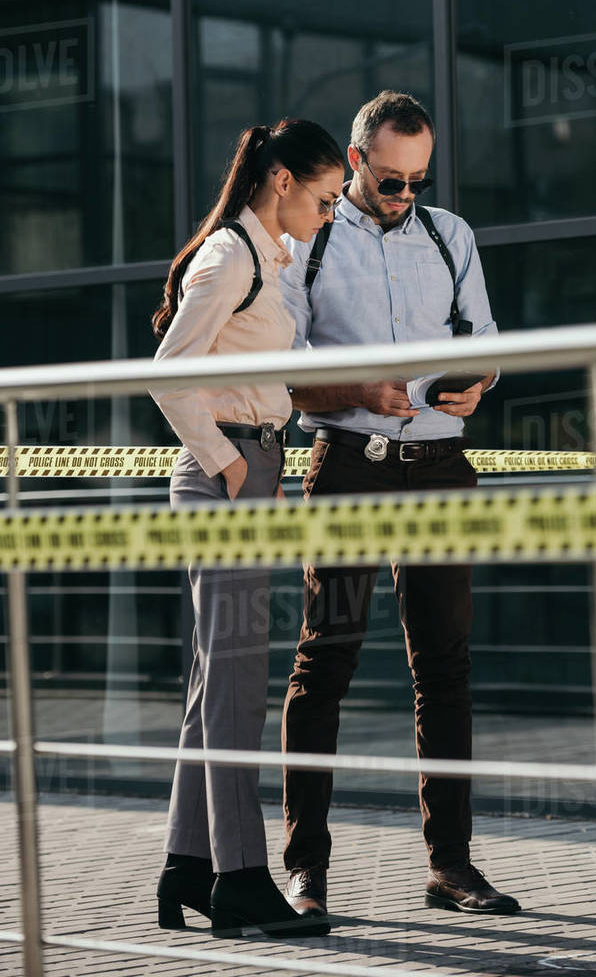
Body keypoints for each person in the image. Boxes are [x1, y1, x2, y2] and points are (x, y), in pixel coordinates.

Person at [279, 90, 520, 922]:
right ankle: (305, 870)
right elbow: (282, 375)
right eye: (390, 180)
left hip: (440, 468)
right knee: (326, 663)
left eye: (418, 179)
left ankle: (449, 868)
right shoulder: (306, 242)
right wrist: (359, 390)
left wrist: (477, 384)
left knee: (445, 672)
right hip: (349, 468)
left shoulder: (450, 235)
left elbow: (484, 338)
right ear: (355, 162)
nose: (405, 194)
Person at [149, 118, 344, 939]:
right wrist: (229, 463)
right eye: (327, 197)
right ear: (282, 182)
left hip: (252, 470)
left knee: (212, 685)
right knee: (235, 690)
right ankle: (242, 879)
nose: (331, 213)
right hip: (226, 478)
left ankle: (186, 869)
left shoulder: (269, 257)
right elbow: (167, 372)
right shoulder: (232, 256)